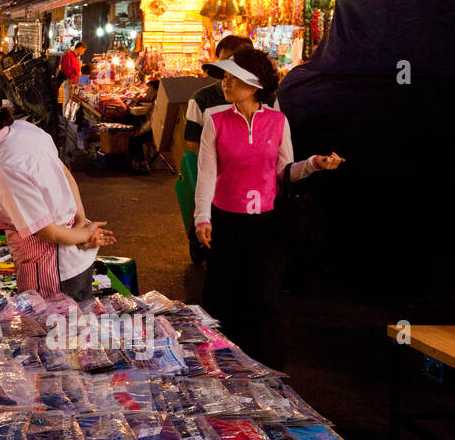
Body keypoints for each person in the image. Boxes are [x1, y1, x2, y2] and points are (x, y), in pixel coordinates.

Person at [193, 47, 343, 368]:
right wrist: (202, 218)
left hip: (267, 225)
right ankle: (221, 366)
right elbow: (206, 174)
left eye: (234, 79)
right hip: (226, 223)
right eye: (226, 78)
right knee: (222, 298)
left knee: (262, 299)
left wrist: (316, 164)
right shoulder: (215, 121)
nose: (226, 84)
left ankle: (264, 370)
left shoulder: (278, 122)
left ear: (255, 85)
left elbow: (284, 171)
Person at [0, 85, 114, 299]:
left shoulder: (5, 166)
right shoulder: (22, 130)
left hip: (52, 273)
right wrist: (81, 222)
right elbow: (65, 175)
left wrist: (84, 233)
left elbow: (47, 231)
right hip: (76, 260)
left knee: (53, 330)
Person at [184, 34, 268, 151]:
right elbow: (193, 142)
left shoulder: (271, 102)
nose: (228, 68)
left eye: (235, 62)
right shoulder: (202, 99)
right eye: (225, 62)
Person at [128, 79, 161, 174]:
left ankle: (142, 165)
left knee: (135, 139)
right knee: (134, 137)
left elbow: (152, 122)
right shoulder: (155, 102)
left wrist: (141, 131)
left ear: (156, 90)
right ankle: (138, 163)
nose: (147, 92)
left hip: (156, 132)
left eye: (149, 90)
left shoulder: (158, 103)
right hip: (154, 129)